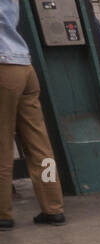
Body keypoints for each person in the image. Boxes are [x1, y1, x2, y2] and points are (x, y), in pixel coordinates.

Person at [1, 0, 66, 228]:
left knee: (2, 148)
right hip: (23, 66)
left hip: (2, 66)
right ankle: (53, 207)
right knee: (40, 147)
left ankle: (2, 214)